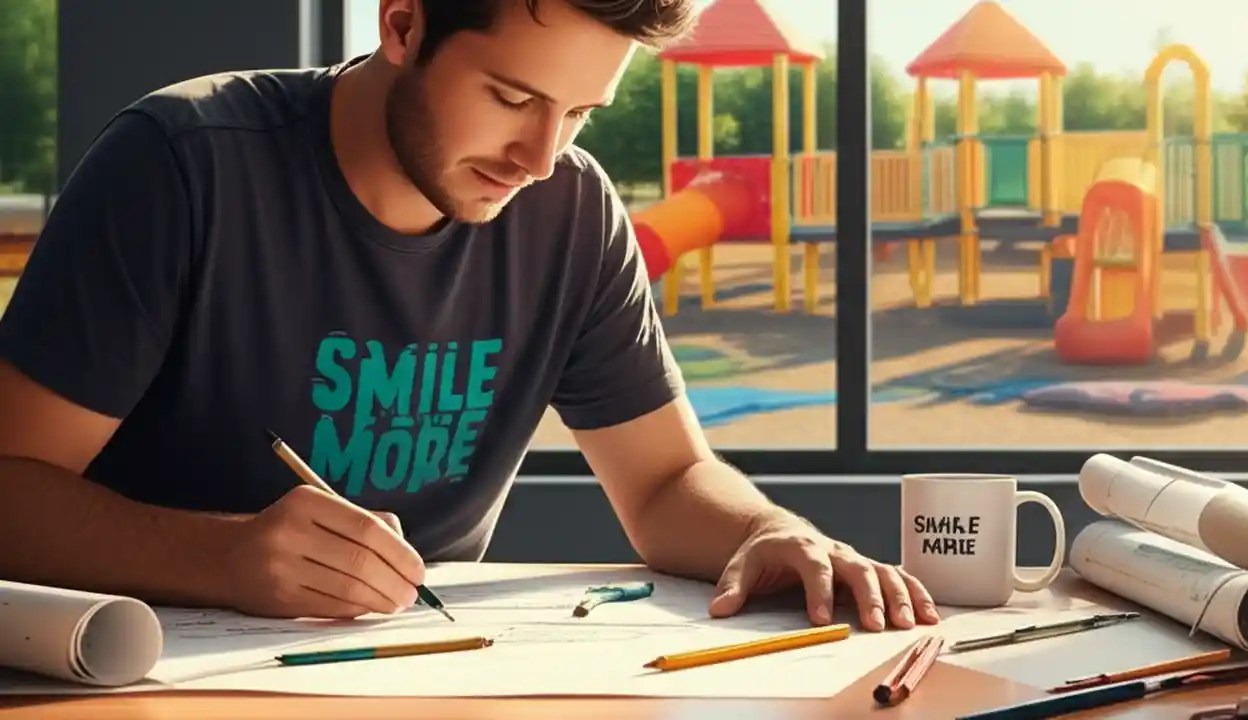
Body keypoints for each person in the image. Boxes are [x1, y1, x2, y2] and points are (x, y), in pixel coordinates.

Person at [0, 0, 938, 632]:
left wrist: (766, 532)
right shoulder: (180, 166)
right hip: (145, 672)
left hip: (424, 672)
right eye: (512, 98)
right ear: (402, 23)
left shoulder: (570, 210)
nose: (540, 155)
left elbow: (663, 485)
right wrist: (226, 559)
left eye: (580, 114)